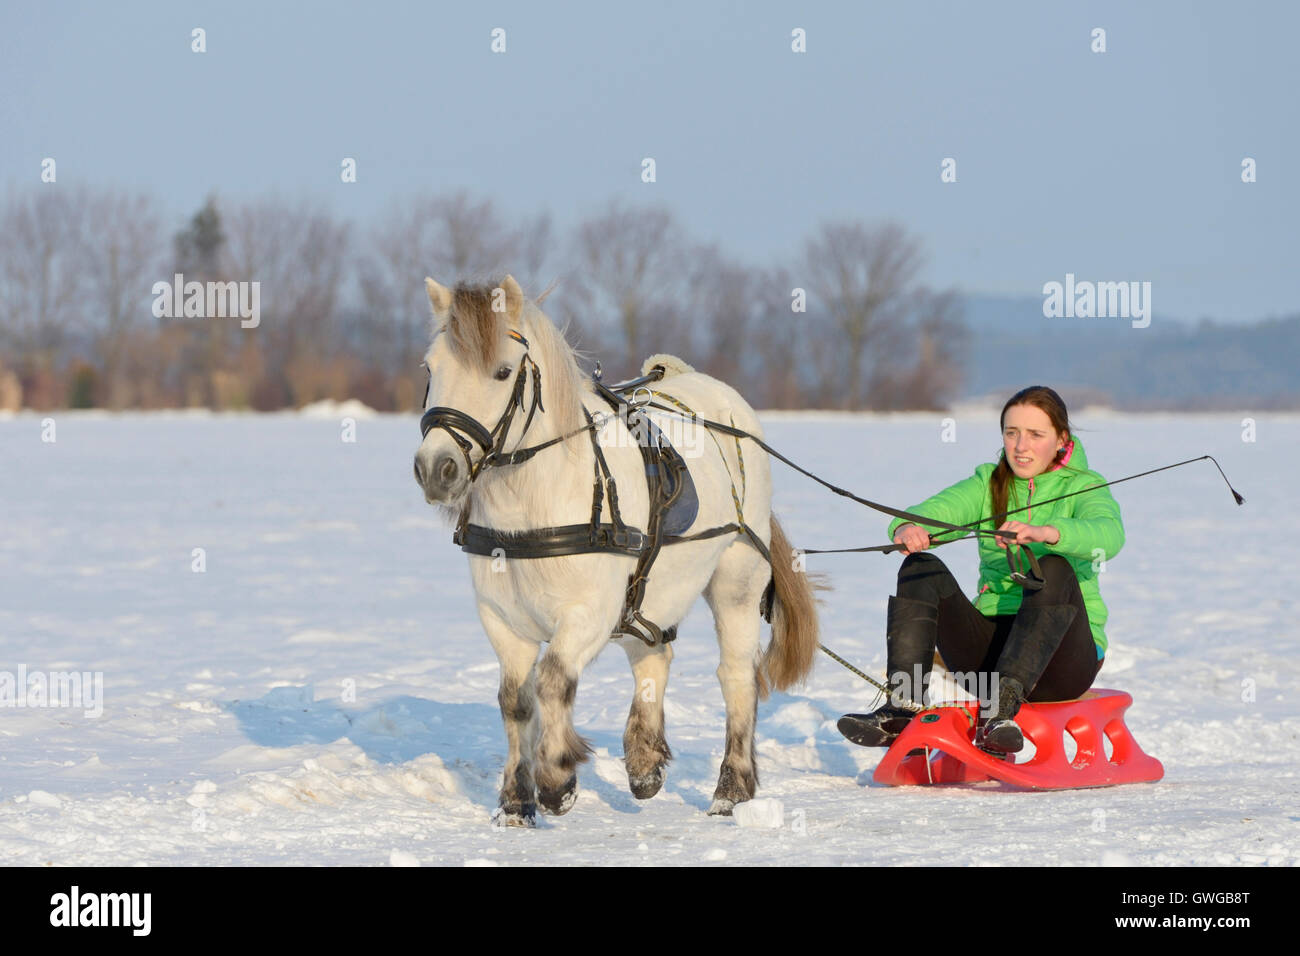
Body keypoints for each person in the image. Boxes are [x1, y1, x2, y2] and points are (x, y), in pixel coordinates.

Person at [837, 385, 1124, 754]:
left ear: (1060, 440)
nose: (1021, 446)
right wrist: (907, 529)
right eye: (1011, 433)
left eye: (1035, 435)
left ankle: (1000, 713)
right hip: (988, 659)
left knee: (1053, 567)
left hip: (1063, 662)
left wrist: (1046, 533)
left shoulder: (1086, 486)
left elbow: (1110, 537)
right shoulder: (989, 483)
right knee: (920, 568)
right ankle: (902, 709)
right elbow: (923, 515)